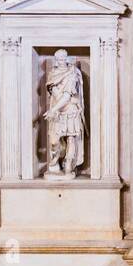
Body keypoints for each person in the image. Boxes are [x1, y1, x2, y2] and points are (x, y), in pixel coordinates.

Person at [42, 50, 85, 179]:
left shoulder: (73, 73)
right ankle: (54, 164)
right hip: (57, 112)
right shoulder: (53, 73)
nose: (60, 61)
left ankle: (68, 166)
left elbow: (67, 95)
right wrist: (55, 109)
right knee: (54, 141)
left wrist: (53, 109)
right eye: (58, 59)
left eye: (62, 58)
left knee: (71, 139)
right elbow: (55, 92)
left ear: (66, 58)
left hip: (71, 111)